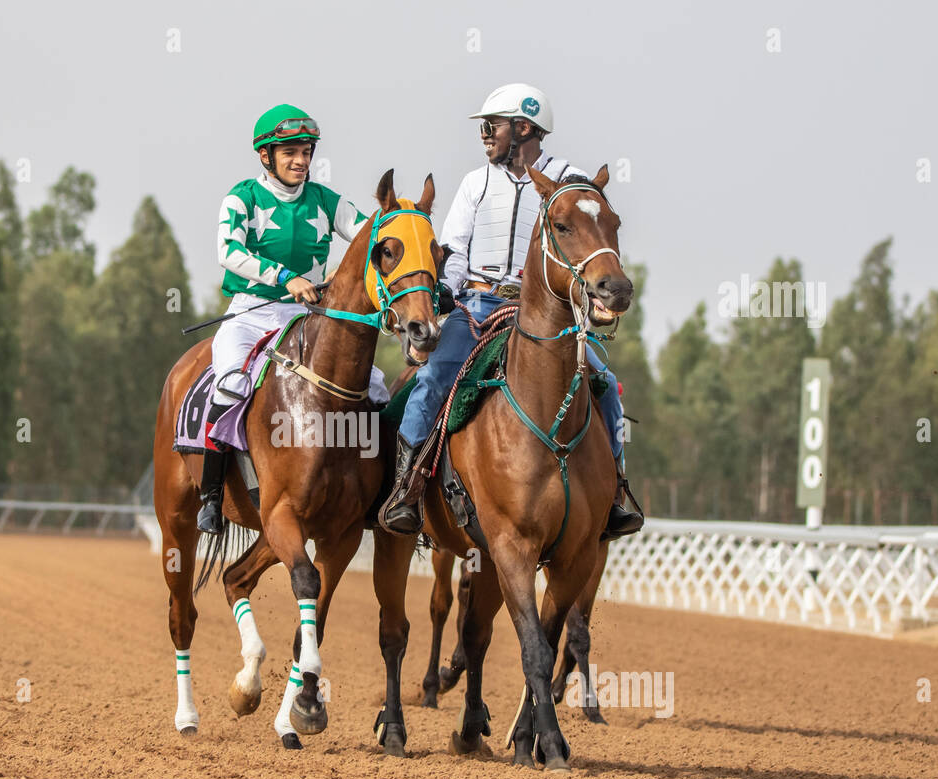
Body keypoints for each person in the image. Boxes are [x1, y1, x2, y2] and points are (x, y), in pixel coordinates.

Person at [380, 83, 643, 538]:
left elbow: (593, 241)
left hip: (545, 311)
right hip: (479, 304)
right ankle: (406, 490)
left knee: (606, 387)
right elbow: (456, 249)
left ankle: (615, 495)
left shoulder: (570, 180)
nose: (484, 136)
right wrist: (445, 289)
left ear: (523, 129)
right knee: (430, 381)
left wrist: (593, 294)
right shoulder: (474, 182)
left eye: (491, 126)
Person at [200, 103, 386, 534]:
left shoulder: (326, 200)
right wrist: (286, 277)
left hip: (308, 318)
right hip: (250, 312)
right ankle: (211, 495)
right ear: (266, 156)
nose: (301, 161)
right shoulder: (242, 197)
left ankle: (375, 494)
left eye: (305, 151)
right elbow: (228, 251)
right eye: (290, 153)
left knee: (374, 388)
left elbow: (369, 234)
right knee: (229, 385)